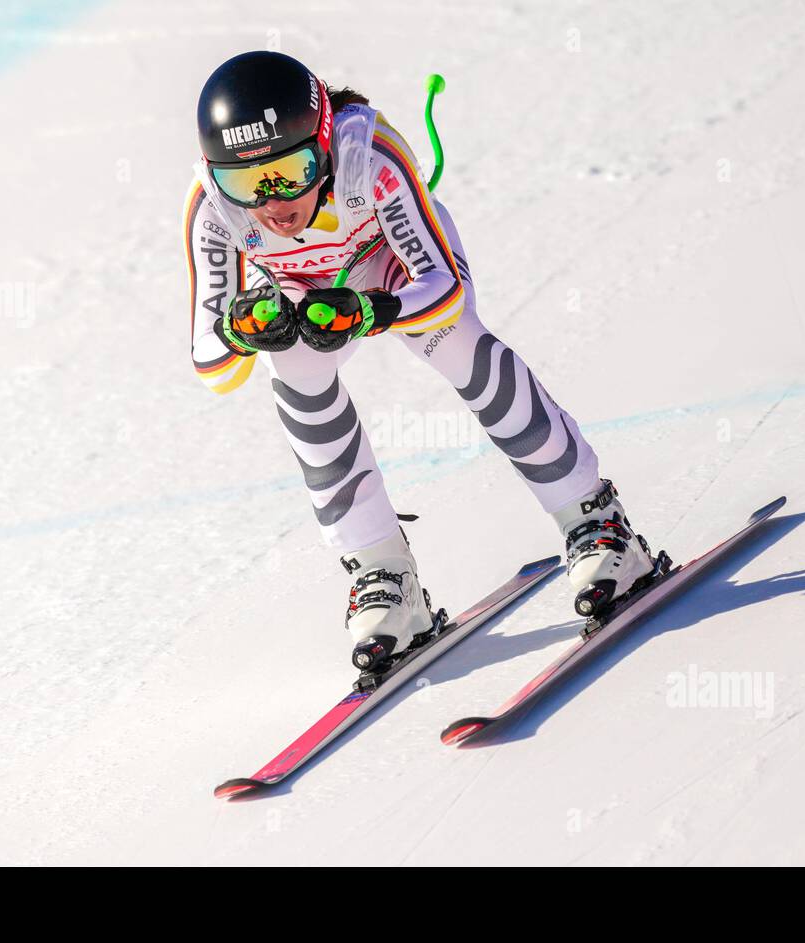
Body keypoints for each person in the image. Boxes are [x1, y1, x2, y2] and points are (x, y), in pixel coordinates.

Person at [184, 51, 656, 673]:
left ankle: (596, 521)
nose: (272, 203)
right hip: (306, 295)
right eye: (246, 183)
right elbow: (210, 360)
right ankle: (383, 574)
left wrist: (373, 310)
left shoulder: (369, 155)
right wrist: (242, 329)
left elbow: (445, 285)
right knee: (292, 373)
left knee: (459, 343)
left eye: (289, 172)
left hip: (397, 269)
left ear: (324, 143)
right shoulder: (212, 209)